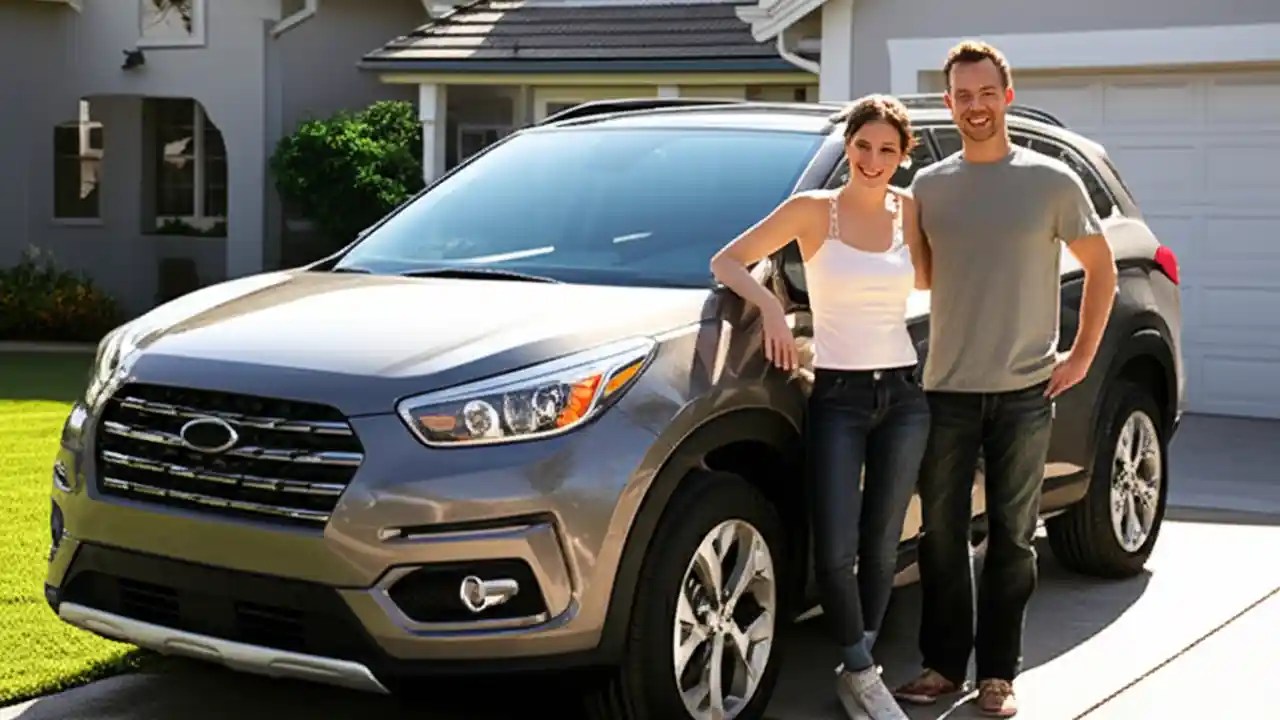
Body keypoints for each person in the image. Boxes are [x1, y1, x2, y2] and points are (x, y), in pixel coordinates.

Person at [891, 40, 1118, 717]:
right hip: (946, 390)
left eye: (986, 93)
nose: (975, 107)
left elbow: (1101, 268)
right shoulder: (929, 188)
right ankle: (939, 668)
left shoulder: (1049, 181)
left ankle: (998, 674)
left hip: (1024, 392)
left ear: (1006, 96)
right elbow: (922, 278)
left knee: (1015, 537)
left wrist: (1078, 357)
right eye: (962, 96)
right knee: (939, 538)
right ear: (949, 101)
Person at [710, 94, 932, 720]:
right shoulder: (814, 212)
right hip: (837, 393)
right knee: (835, 546)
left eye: (888, 149)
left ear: (902, 156)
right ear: (848, 146)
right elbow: (727, 260)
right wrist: (773, 307)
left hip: (904, 394)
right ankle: (862, 673)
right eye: (863, 145)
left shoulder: (907, 209)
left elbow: (931, 280)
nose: (873, 159)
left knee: (884, 542)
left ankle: (857, 667)